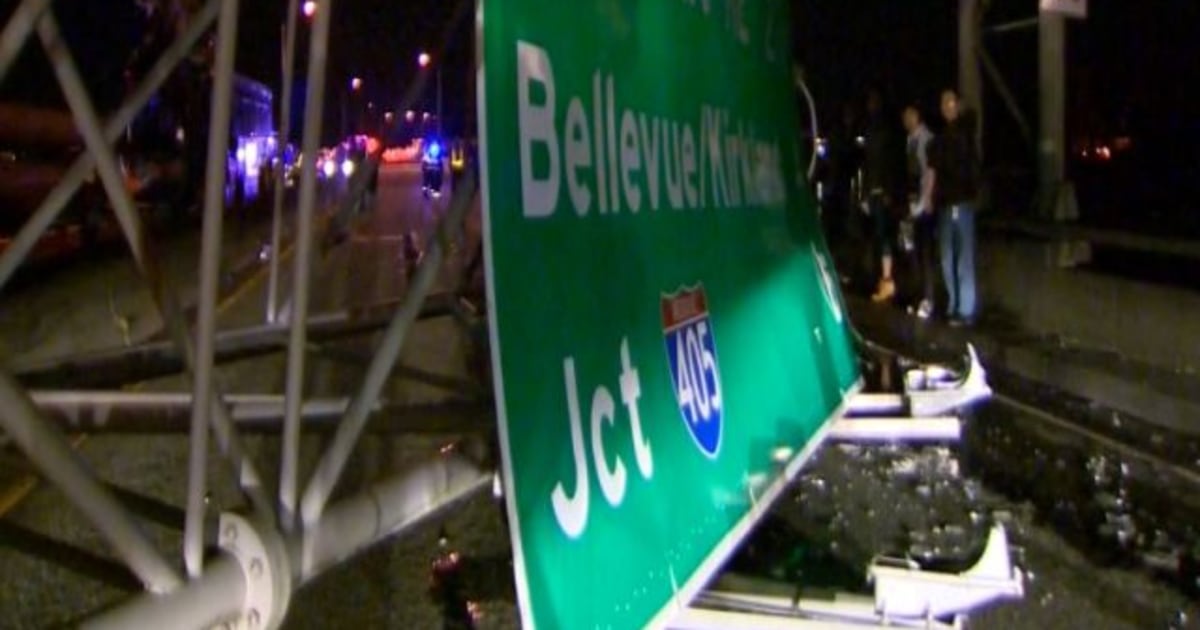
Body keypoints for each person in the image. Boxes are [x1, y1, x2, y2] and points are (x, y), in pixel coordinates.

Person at [928, 89, 982, 326]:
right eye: (944, 102)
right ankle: (954, 304)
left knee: (963, 257)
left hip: (962, 202)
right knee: (947, 257)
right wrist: (931, 198)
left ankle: (965, 308)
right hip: (945, 204)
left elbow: (972, 168)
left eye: (951, 102)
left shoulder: (965, 133)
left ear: (958, 105)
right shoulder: (941, 138)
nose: (947, 106)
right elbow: (934, 170)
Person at [862, 90, 902, 303]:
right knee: (878, 236)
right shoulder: (872, 130)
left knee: (885, 235)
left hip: (881, 191)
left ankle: (887, 280)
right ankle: (881, 279)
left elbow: (889, 163)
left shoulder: (885, 132)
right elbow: (869, 164)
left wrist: (887, 190)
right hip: (874, 191)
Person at [901, 103, 936, 319]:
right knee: (910, 249)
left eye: (910, 115)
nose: (906, 120)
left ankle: (928, 299)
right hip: (910, 201)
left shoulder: (927, 139)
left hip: (924, 202)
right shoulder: (909, 140)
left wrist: (926, 199)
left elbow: (930, 171)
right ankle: (916, 295)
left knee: (925, 252)